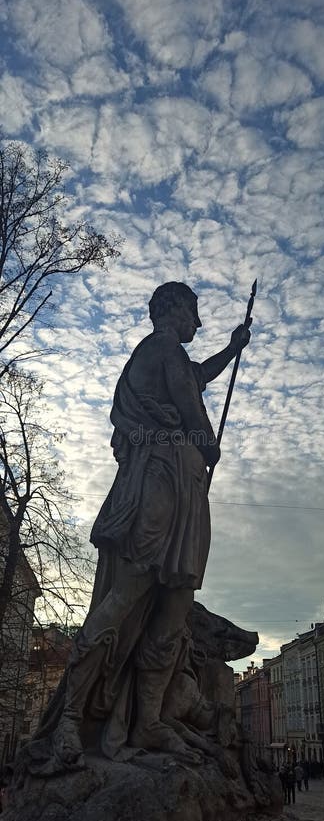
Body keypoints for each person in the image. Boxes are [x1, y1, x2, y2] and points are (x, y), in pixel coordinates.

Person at [29, 282, 251, 772]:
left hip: (183, 485)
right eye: (195, 311)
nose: (199, 322)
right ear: (172, 309)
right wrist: (207, 440)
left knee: (174, 604)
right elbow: (189, 402)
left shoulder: (168, 355)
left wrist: (230, 352)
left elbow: (194, 379)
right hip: (163, 482)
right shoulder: (163, 346)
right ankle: (71, 717)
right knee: (129, 594)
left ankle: (148, 720)